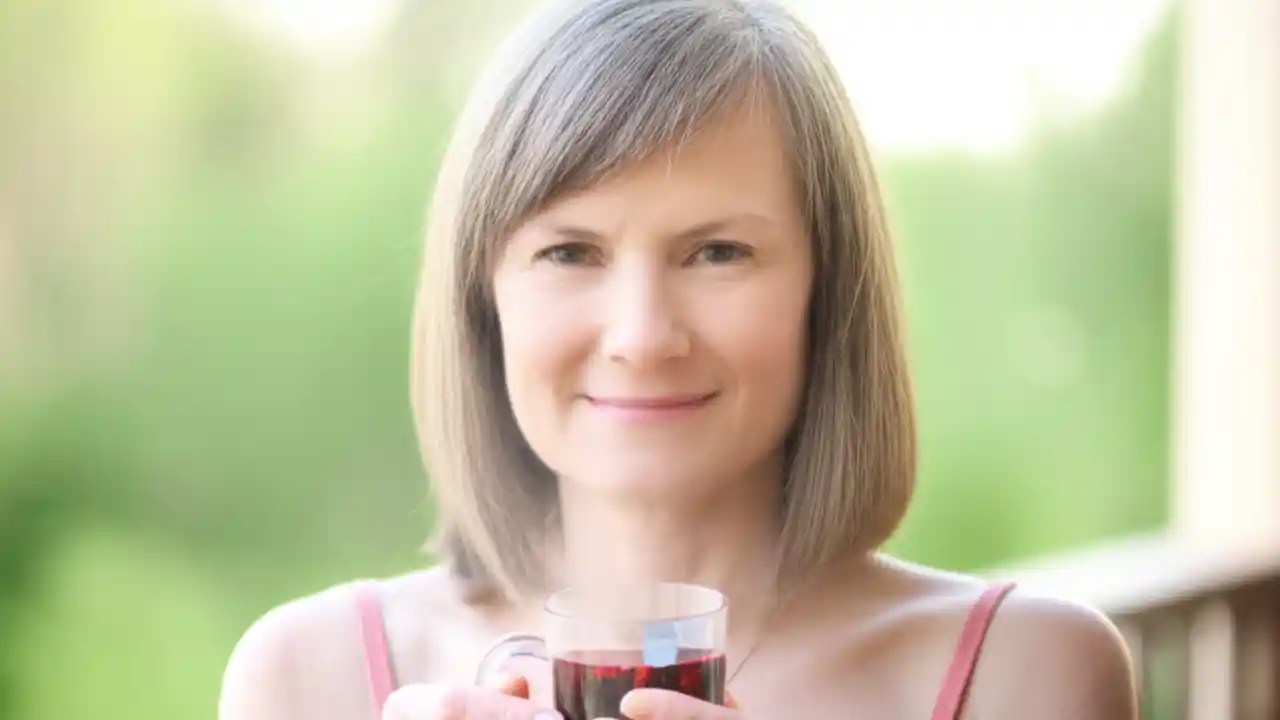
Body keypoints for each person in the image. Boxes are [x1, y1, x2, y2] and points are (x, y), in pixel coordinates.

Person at [219, 0, 1138, 718]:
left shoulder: (1031, 674)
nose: (642, 335)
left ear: (829, 290)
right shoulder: (307, 678)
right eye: (570, 252)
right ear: (482, 297)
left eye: (718, 253)